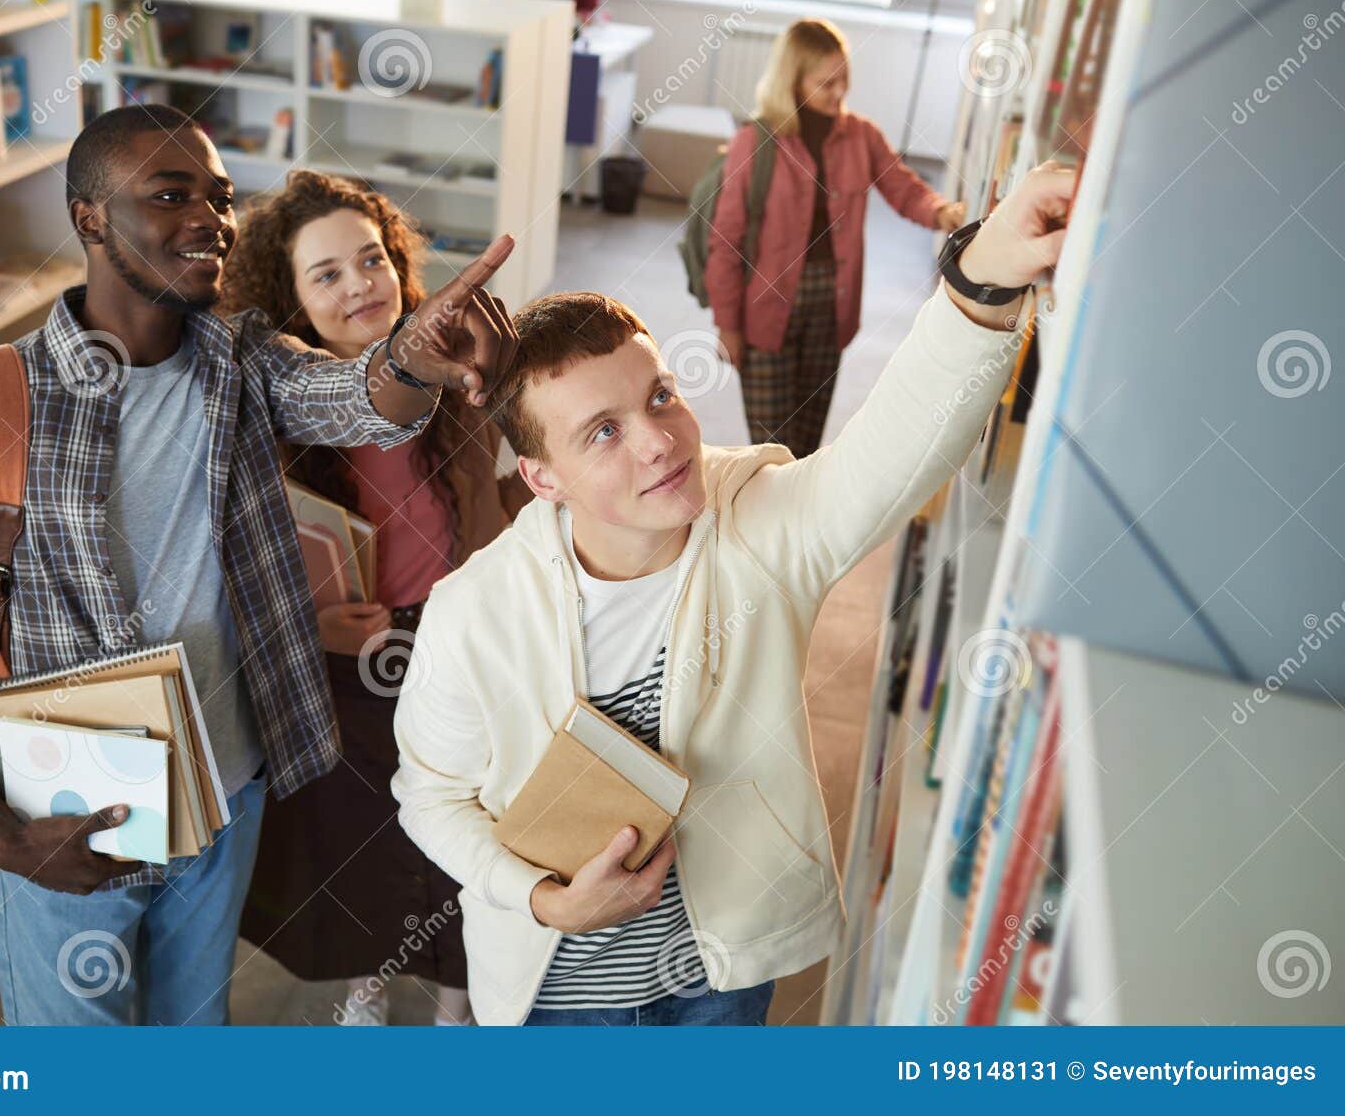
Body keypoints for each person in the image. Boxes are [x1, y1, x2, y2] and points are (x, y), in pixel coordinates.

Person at [0, 104, 519, 1026]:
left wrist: (414, 350)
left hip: (226, 795)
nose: (209, 217)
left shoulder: (244, 360)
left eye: (218, 195)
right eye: (170, 195)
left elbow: (357, 396)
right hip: (67, 812)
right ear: (90, 217)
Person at [393, 163, 1074, 1025]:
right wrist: (543, 900)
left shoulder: (759, 527)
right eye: (603, 432)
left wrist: (983, 276)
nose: (659, 442)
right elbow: (432, 795)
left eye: (660, 397)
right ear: (540, 477)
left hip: (716, 982)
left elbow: (900, 441)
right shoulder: (473, 612)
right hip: (553, 1000)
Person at [218, 170, 530, 1026]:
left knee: (466, 821)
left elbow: (511, 492)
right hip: (349, 652)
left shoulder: (452, 372)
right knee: (369, 833)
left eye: (373, 258)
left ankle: (459, 998)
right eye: (327, 274)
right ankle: (369, 984)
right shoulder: (273, 410)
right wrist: (315, 622)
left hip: (456, 636)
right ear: (291, 299)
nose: (360, 283)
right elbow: (239, 562)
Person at [706, 17, 968, 458]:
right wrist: (727, 326)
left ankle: (797, 524)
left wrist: (941, 212)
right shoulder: (755, 144)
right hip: (766, 311)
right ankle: (772, 521)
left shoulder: (860, 136)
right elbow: (725, 242)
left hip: (832, 305)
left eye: (843, 78)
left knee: (805, 444)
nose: (838, 91)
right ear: (793, 79)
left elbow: (902, 187)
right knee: (772, 447)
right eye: (824, 82)